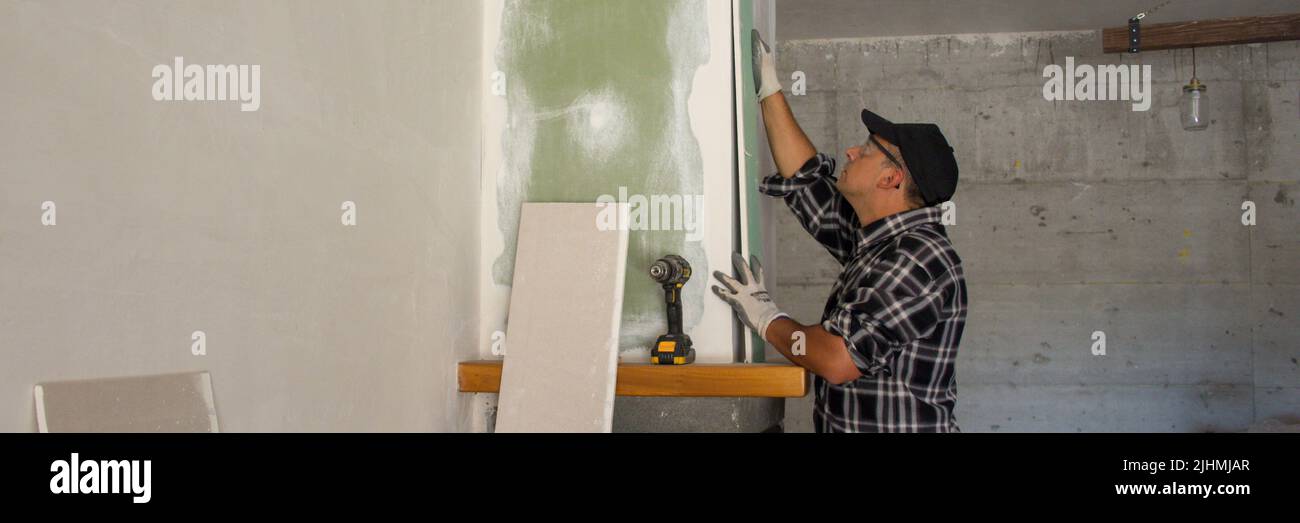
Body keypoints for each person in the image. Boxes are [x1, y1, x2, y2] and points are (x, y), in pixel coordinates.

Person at [712, 35, 969, 432]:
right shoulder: (878, 243)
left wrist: (766, 317)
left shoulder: (917, 259)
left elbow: (836, 359)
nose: (851, 151)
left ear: (891, 177)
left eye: (867, 150)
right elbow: (804, 180)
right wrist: (770, 90)